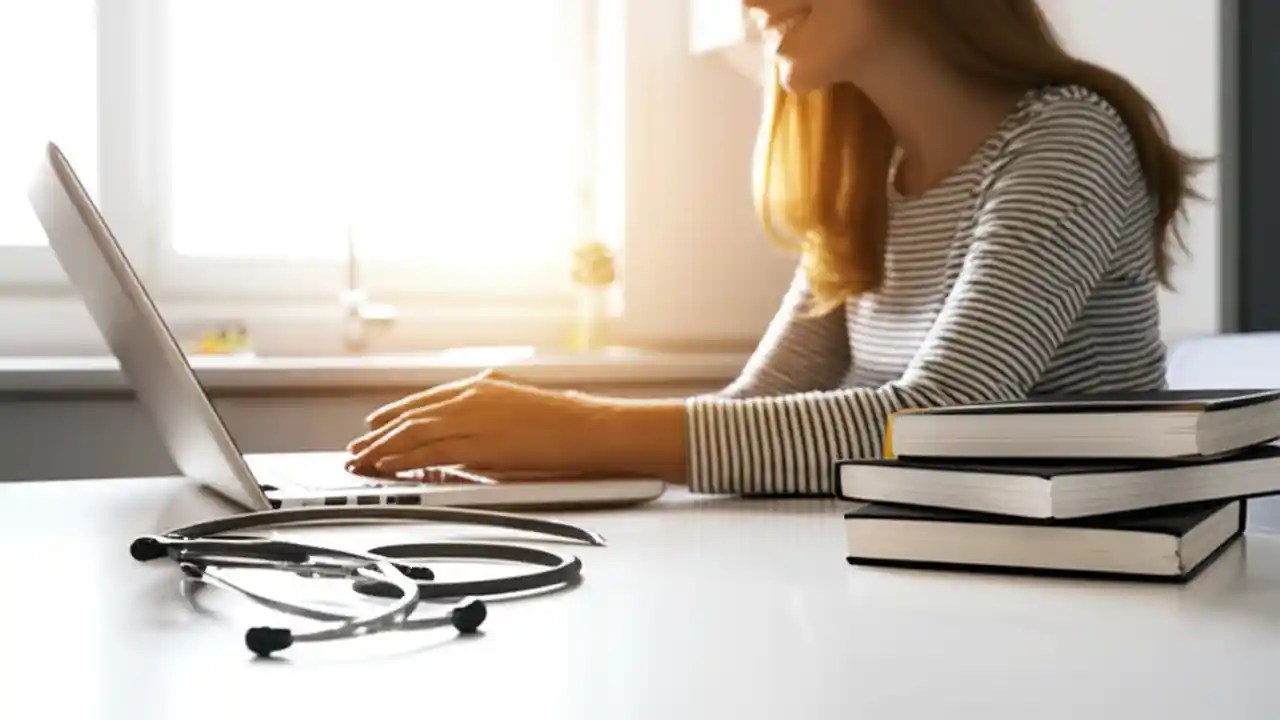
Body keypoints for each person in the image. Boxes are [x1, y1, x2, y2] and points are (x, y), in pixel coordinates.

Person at [345, 0, 1202, 495]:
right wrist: (537, 461)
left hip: (1077, 613)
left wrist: (579, 427)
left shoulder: (1067, 138)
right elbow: (757, 409)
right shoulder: (868, 173)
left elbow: (943, 420)